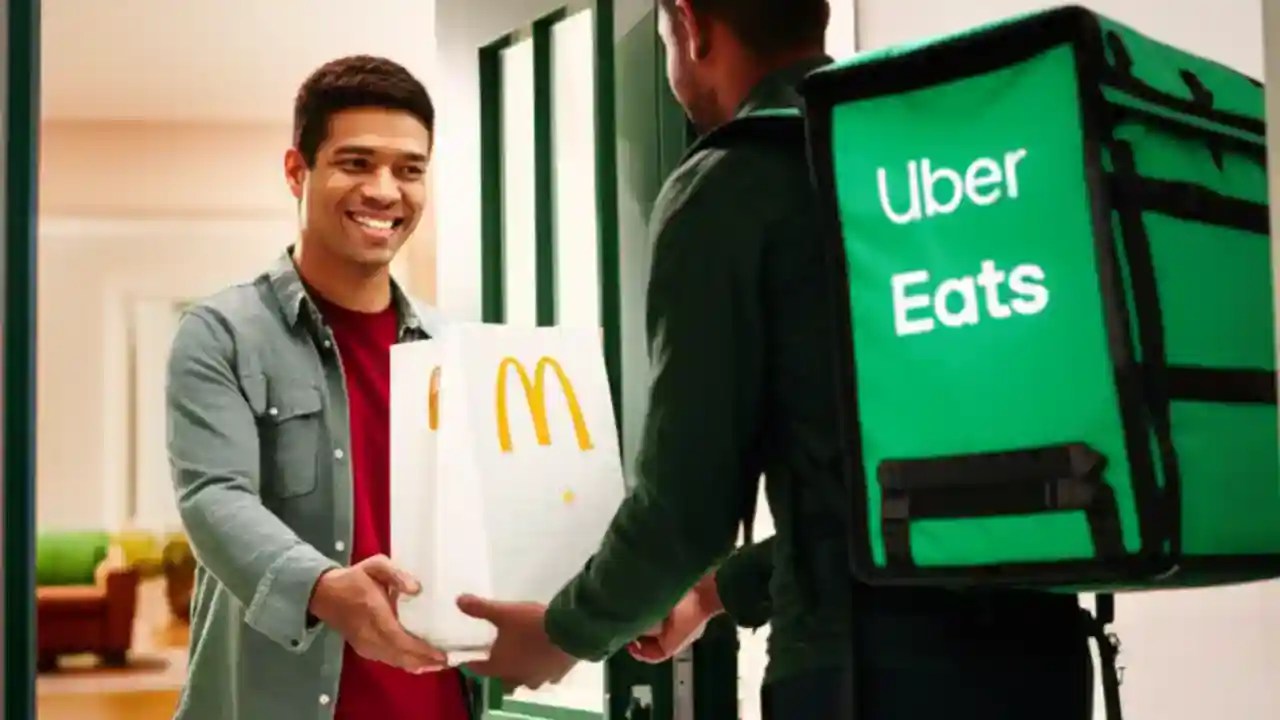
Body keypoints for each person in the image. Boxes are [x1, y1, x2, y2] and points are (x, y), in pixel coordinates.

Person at [456, 1, 1095, 719]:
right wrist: (710, 595)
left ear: (691, 27)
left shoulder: (733, 183)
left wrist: (562, 632)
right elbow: (898, 504)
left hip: (864, 676)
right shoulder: (912, 169)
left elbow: (686, 509)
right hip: (1044, 658)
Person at [166, 55, 473, 720]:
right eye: (356, 162)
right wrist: (329, 590)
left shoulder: (456, 351)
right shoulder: (222, 333)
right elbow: (213, 497)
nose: (386, 191)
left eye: (409, 169)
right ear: (296, 171)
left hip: (438, 703)